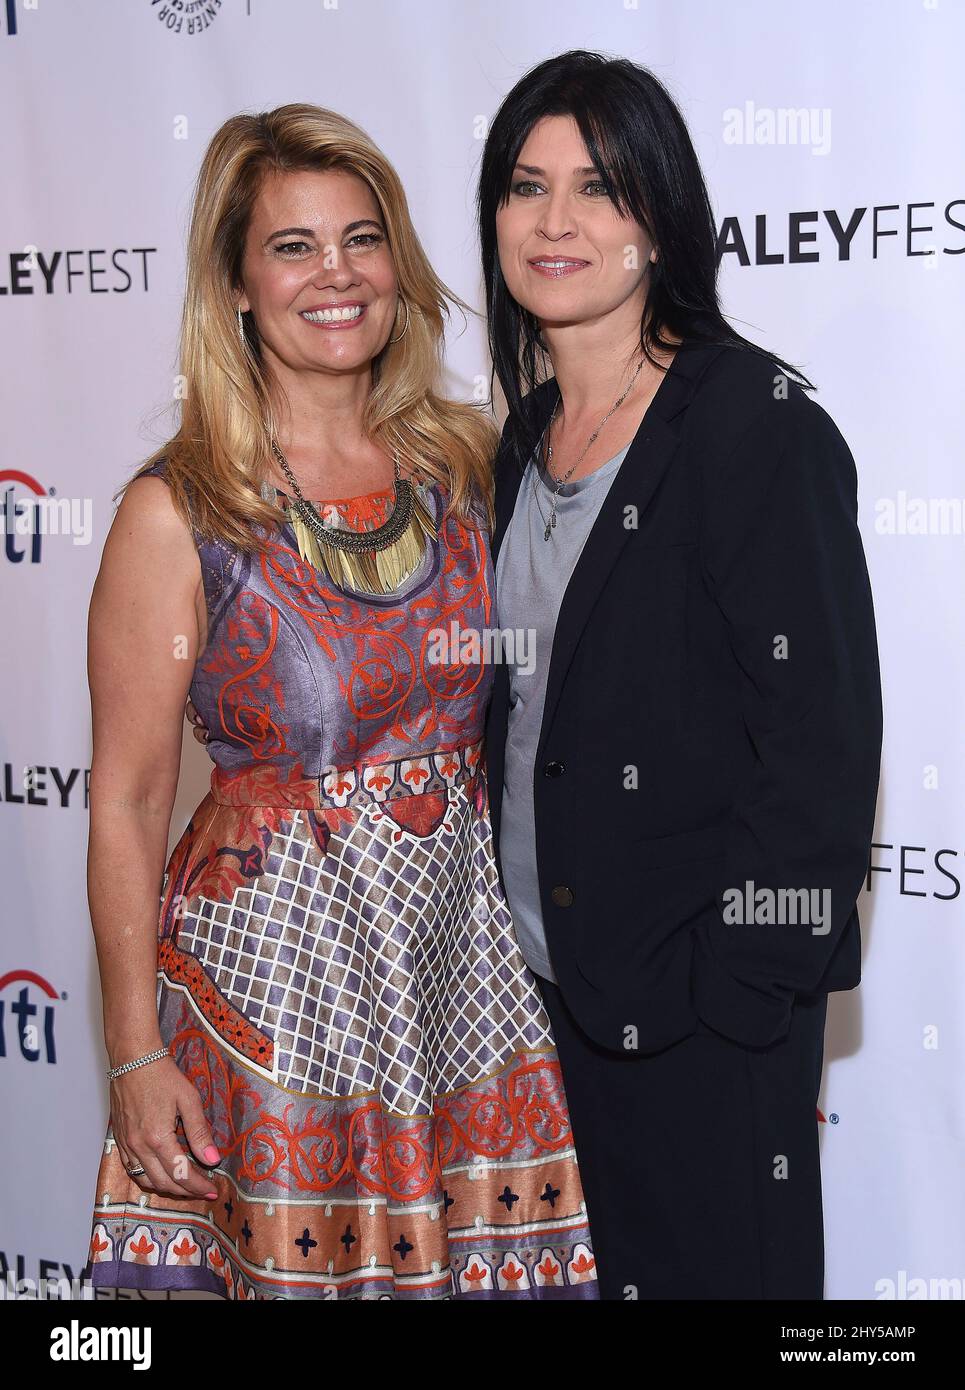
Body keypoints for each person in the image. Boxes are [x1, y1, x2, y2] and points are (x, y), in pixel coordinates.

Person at [84, 103, 597, 1302]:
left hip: (458, 975)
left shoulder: (466, 469)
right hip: (278, 990)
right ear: (237, 285)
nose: (337, 274)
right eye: (294, 246)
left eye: (361, 238)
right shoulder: (182, 512)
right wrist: (130, 1048)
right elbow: (127, 798)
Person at [477, 51, 883, 1299]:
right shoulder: (522, 438)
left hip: (699, 1023)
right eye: (525, 187)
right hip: (539, 1008)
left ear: (658, 218)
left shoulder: (754, 426)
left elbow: (819, 756)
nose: (555, 223)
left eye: (596, 187)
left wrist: (733, 994)